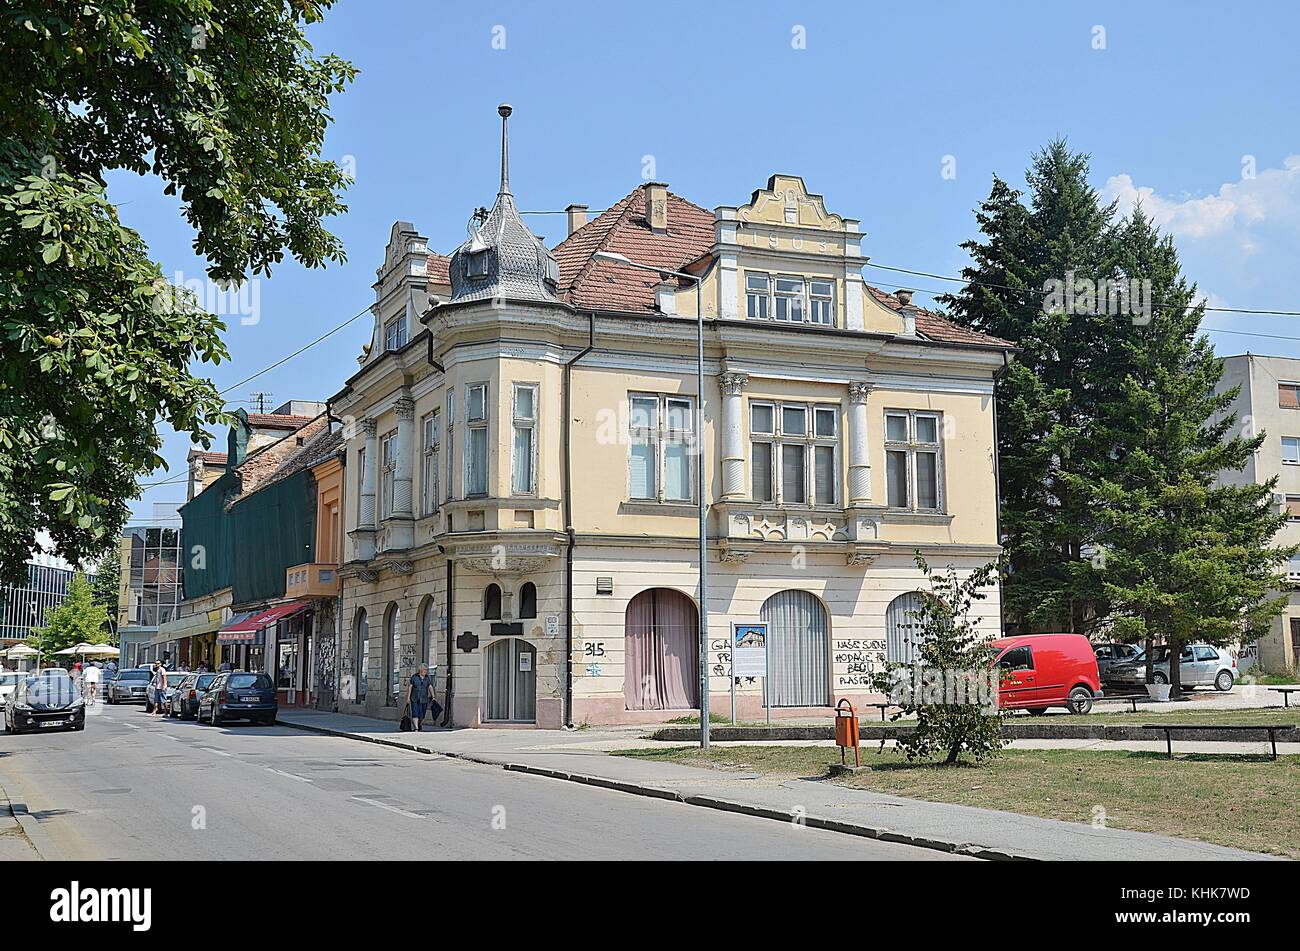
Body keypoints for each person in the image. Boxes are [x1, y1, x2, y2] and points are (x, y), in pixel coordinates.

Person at [407, 663, 436, 732]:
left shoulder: (427, 678)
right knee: (415, 713)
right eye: (424, 670)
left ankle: (419, 723)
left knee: (422, 714)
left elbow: (430, 686)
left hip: (424, 699)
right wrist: (408, 698)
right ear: (420, 670)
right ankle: (416, 728)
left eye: (426, 670)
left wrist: (433, 696)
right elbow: (410, 687)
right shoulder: (414, 677)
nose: (425, 671)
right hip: (415, 698)